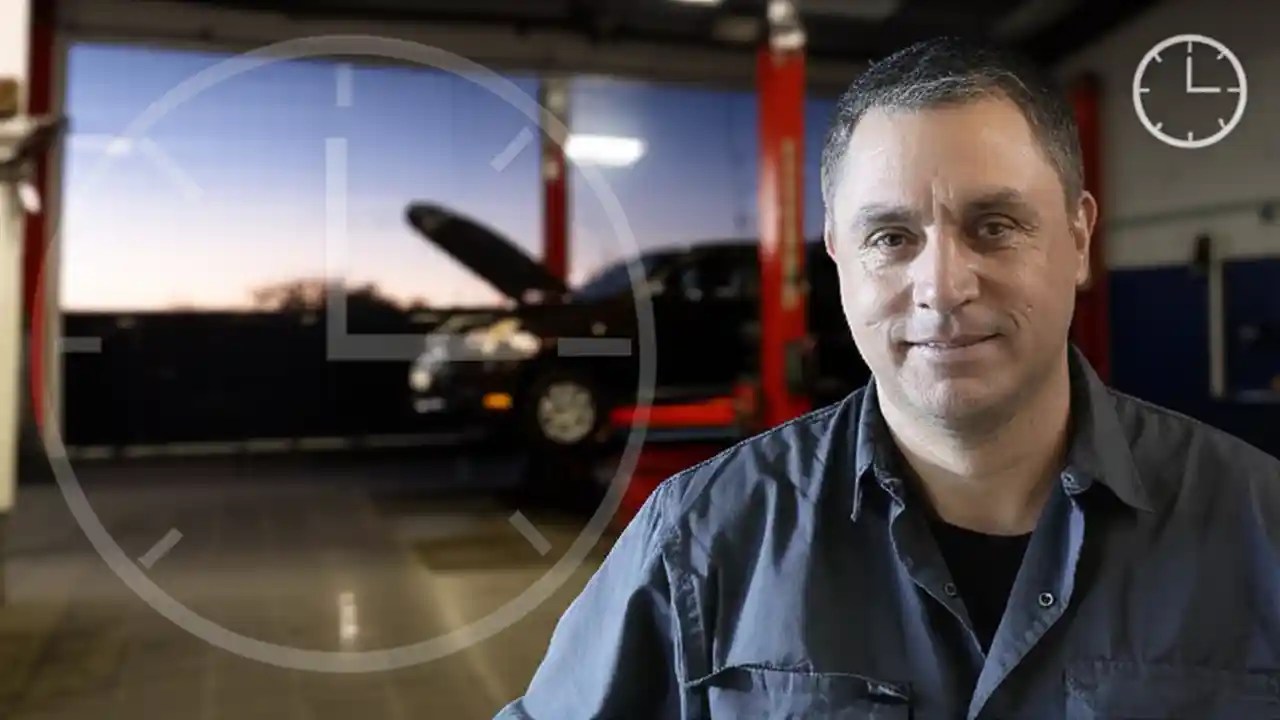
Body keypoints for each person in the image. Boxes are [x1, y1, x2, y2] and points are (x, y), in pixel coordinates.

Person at [496, 36, 1280, 719]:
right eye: (892, 236)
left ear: (1078, 240)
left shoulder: (1261, 528)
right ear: (838, 256)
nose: (942, 286)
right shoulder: (700, 541)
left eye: (995, 226)